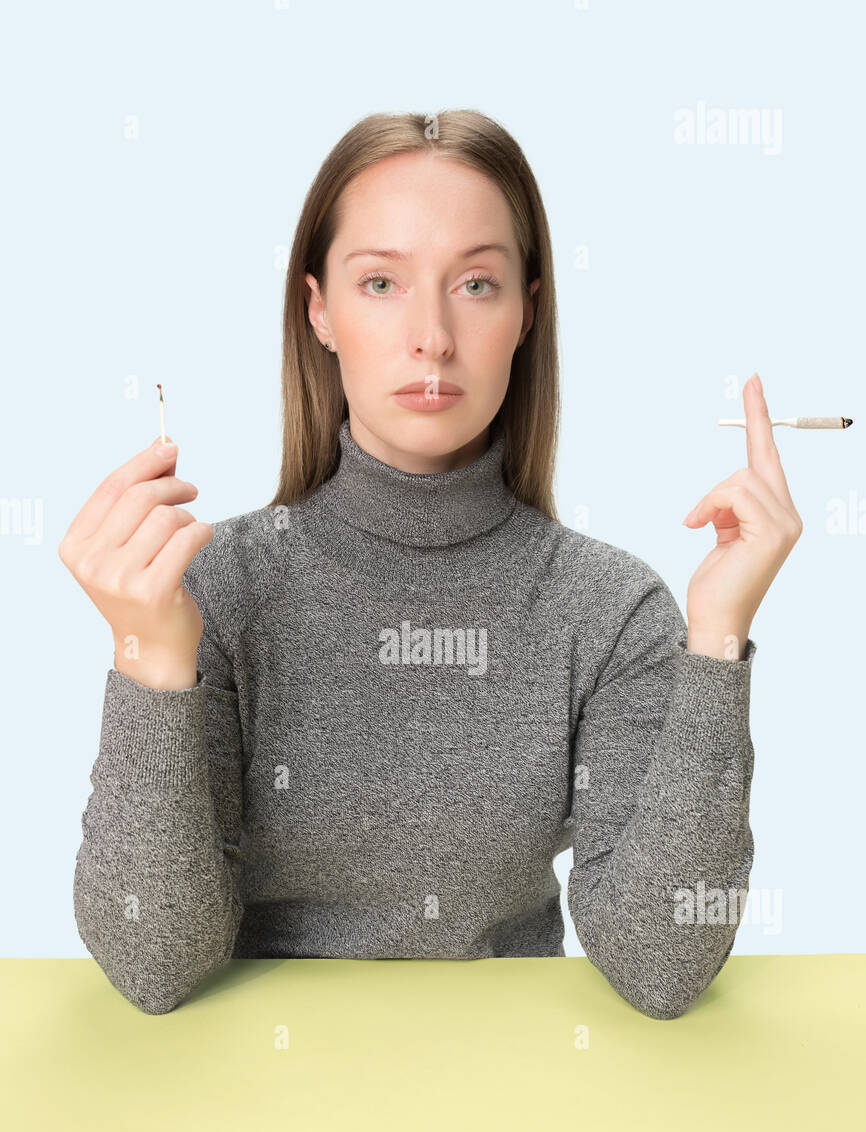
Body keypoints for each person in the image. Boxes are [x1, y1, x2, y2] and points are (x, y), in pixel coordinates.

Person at [59, 110, 802, 1018]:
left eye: (477, 285)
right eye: (381, 282)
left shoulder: (608, 609)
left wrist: (719, 637)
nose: (434, 338)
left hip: (515, 1108)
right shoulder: (215, 592)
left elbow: (662, 966)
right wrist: (150, 660)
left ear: (529, 310)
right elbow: (154, 963)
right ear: (319, 311)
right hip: (258, 1120)